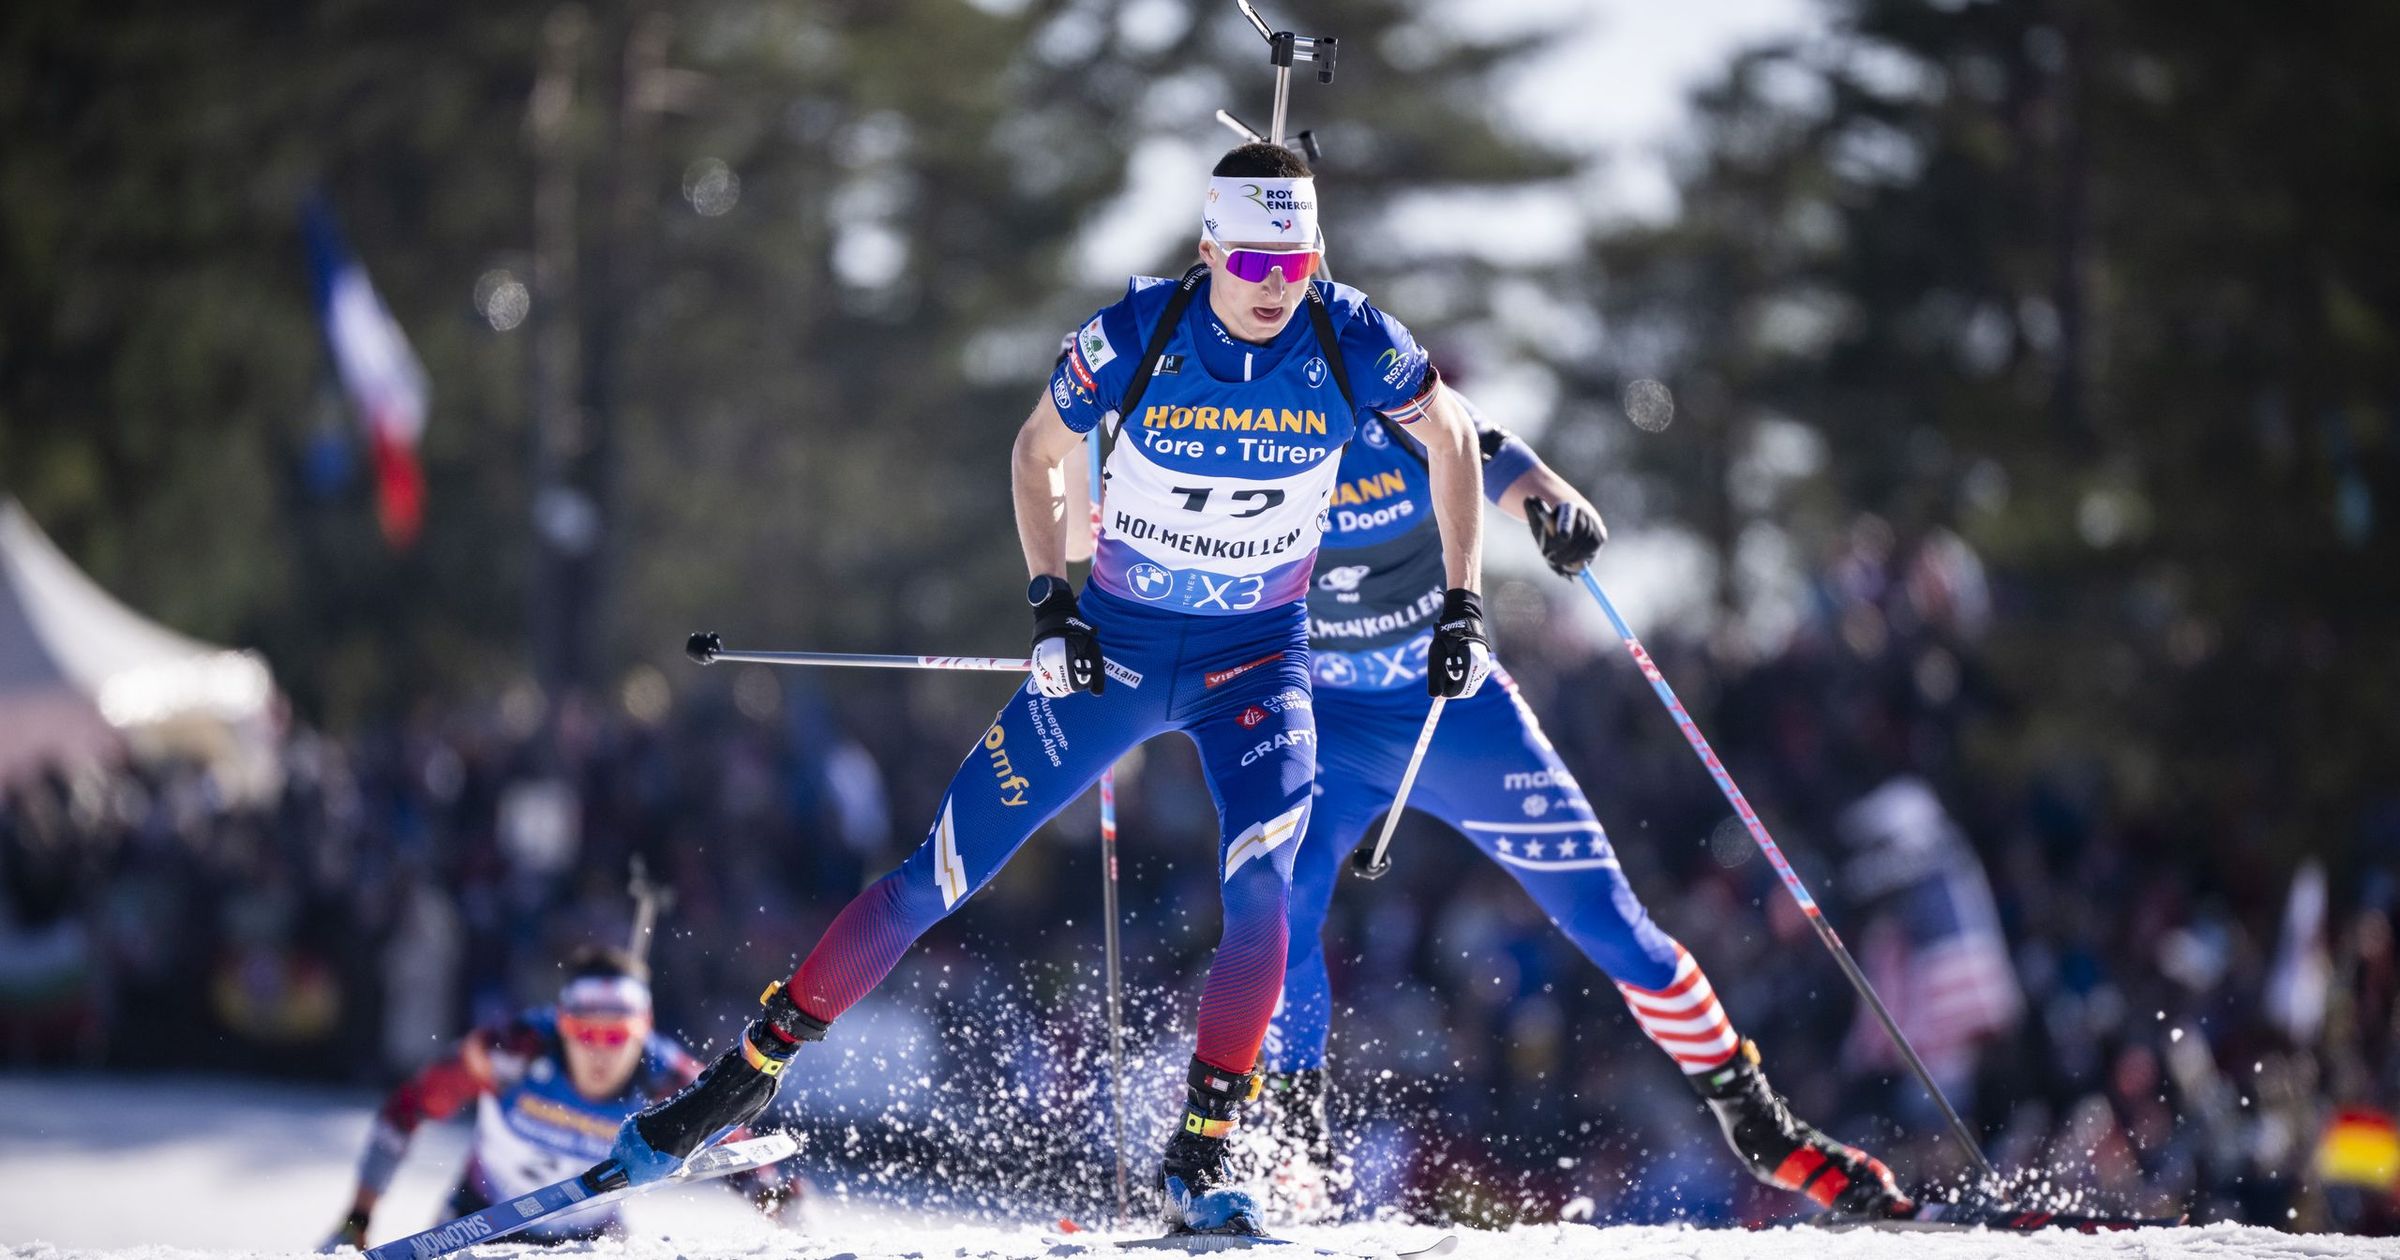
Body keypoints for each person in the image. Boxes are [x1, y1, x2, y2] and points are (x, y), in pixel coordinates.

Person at [600, 142, 1495, 1236]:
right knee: (936, 875)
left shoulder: (1352, 337)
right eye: (1253, 262)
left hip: (1255, 663)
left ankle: (1202, 1149)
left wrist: (1463, 601)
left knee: (1268, 889)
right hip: (1116, 656)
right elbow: (1036, 454)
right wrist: (1050, 604)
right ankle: (740, 1080)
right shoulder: (1140, 331)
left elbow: (1454, 436)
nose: (1274, 287)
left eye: (1295, 263)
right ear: (1210, 247)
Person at [1240, 392, 1912, 1222]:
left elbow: (1495, 454)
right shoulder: (1233, 425)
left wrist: (1557, 504)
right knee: (1277, 901)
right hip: (1329, 723)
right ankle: (1292, 1138)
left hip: (1461, 721)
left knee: (1608, 920)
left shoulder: (1386, 383)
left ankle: (1761, 1126)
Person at [321, 948, 797, 1249]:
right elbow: (406, 1110)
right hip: (481, 1216)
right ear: (561, 1024)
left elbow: (729, 1133)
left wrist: (772, 1197)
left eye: (616, 1037)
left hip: (589, 1236)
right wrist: (358, 1217)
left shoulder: (665, 1077)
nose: (599, 1052)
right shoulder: (513, 1050)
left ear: (642, 1033)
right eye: (585, 1032)